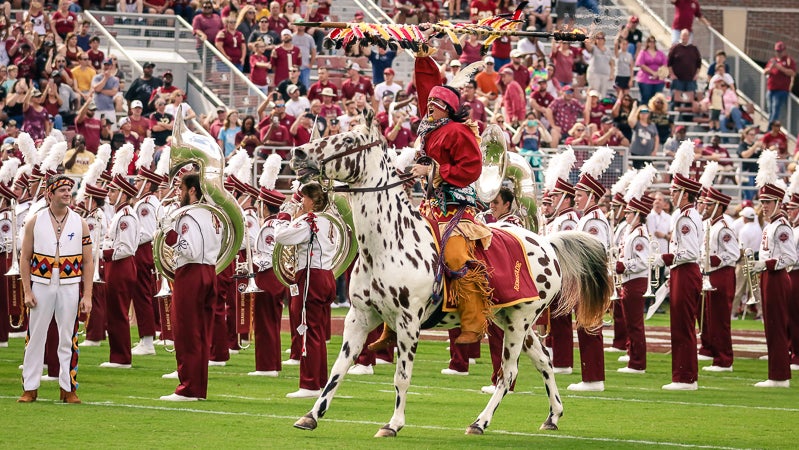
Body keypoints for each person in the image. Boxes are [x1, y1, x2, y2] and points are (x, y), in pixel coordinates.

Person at [17, 175, 93, 404]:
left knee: (68, 337)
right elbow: (25, 257)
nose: (67, 193)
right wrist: (27, 291)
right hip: (41, 283)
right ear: (50, 193)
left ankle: (68, 387)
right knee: (35, 336)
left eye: (69, 189)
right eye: (62, 189)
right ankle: (30, 387)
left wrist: (87, 295)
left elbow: (88, 261)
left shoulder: (80, 222)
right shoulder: (34, 221)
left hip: (70, 284)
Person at [160, 172, 223, 401]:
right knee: (202, 333)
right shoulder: (214, 215)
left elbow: (189, 249)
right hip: (210, 271)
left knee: (186, 332)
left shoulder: (188, 216)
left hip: (191, 273)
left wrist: (169, 232)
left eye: (181, 188)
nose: (179, 193)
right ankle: (198, 387)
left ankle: (188, 387)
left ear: (193, 190)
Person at [274, 183, 336, 398]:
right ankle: (319, 381)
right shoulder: (329, 221)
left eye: (304, 198)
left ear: (311, 200)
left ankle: (309, 384)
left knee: (306, 328)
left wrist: (284, 216)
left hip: (310, 276)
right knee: (316, 330)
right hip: (326, 274)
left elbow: (281, 237)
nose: (301, 202)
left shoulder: (308, 220)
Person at [655, 142, 703, 390]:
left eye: (675, 191)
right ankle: (686, 375)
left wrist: (666, 259)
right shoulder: (687, 215)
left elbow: (691, 251)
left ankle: (684, 377)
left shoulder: (685, 216)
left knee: (682, 326)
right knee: (682, 325)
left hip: (685, 271)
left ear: (685, 193)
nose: (671, 196)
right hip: (683, 272)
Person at [754, 153, 796, 388]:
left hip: (778, 278)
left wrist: (766, 264)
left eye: (768, 202)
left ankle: (779, 376)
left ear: (779, 203)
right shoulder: (772, 225)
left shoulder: (782, 226)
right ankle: (775, 373)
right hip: (770, 277)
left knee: (778, 324)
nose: (765, 207)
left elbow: (790, 257)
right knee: (770, 324)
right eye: (763, 203)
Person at [249, 171, 289, 377]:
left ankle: (266, 367)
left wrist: (251, 268)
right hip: (276, 277)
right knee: (271, 322)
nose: (257, 207)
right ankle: (272, 364)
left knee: (264, 323)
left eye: (259, 204)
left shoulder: (269, 226)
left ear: (265, 206)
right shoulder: (280, 223)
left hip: (267, 276)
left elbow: (268, 255)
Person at [99, 169, 140, 369]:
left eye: (113, 191)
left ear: (124, 194)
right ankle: (118, 355)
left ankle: (122, 357)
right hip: (115, 266)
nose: (109, 194)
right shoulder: (120, 214)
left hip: (120, 266)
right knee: (113, 312)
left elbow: (126, 248)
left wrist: (102, 254)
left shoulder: (125, 216)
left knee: (118, 312)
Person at [615, 185, 653, 374]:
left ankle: (638, 363)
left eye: (629, 212)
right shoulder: (630, 231)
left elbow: (643, 261)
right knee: (630, 322)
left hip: (636, 281)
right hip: (628, 280)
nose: (626, 214)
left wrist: (624, 266)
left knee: (635, 323)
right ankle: (632, 355)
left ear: (638, 213)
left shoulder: (639, 235)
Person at [699, 187, 737, 372]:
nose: (705, 207)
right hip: (711, 274)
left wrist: (715, 260)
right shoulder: (711, 225)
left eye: (710, 204)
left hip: (722, 274)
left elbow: (733, 253)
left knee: (720, 318)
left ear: (719, 207)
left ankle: (724, 359)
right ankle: (716, 354)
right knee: (711, 318)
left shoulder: (723, 228)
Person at [667, 30, 702, 108]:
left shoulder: (694, 49)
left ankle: (688, 119)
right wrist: (672, 74)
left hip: (691, 80)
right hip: (678, 80)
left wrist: (697, 74)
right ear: (680, 36)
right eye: (683, 36)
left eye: (686, 36)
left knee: (690, 101)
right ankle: (672, 118)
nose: (684, 38)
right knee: (675, 100)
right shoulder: (675, 48)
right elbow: (669, 63)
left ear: (689, 37)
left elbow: (699, 63)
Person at [765, 41, 795, 124]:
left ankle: (770, 129)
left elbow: (792, 73)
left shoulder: (789, 60)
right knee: (770, 110)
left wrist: (779, 67)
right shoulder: (772, 60)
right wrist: (771, 67)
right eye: (777, 51)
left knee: (775, 109)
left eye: (780, 51)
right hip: (771, 89)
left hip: (781, 90)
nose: (778, 53)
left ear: (784, 50)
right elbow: (765, 72)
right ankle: (770, 127)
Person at [635, 37, 667, 105]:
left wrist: (658, 73)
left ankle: (654, 114)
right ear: (647, 43)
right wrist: (653, 73)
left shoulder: (660, 53)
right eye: (650, 41)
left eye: (653, 42)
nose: (652, 43)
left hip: (658, 79)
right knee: (646, 98)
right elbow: (641, 64)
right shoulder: (643, 52)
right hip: (645, 79)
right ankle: (644, 114)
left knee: (657, 100)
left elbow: (665, 64)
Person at [736, 125, 763, 201]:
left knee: (755, 195)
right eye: (751, 134)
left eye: (754, 135)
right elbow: (744, 155)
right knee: (748, 196)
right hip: (746, 173)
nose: (753, 136)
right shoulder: (742, 145)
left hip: (756, 173)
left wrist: (763, 148)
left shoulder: (755, 145)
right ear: (745, 135)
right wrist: (754, 146)